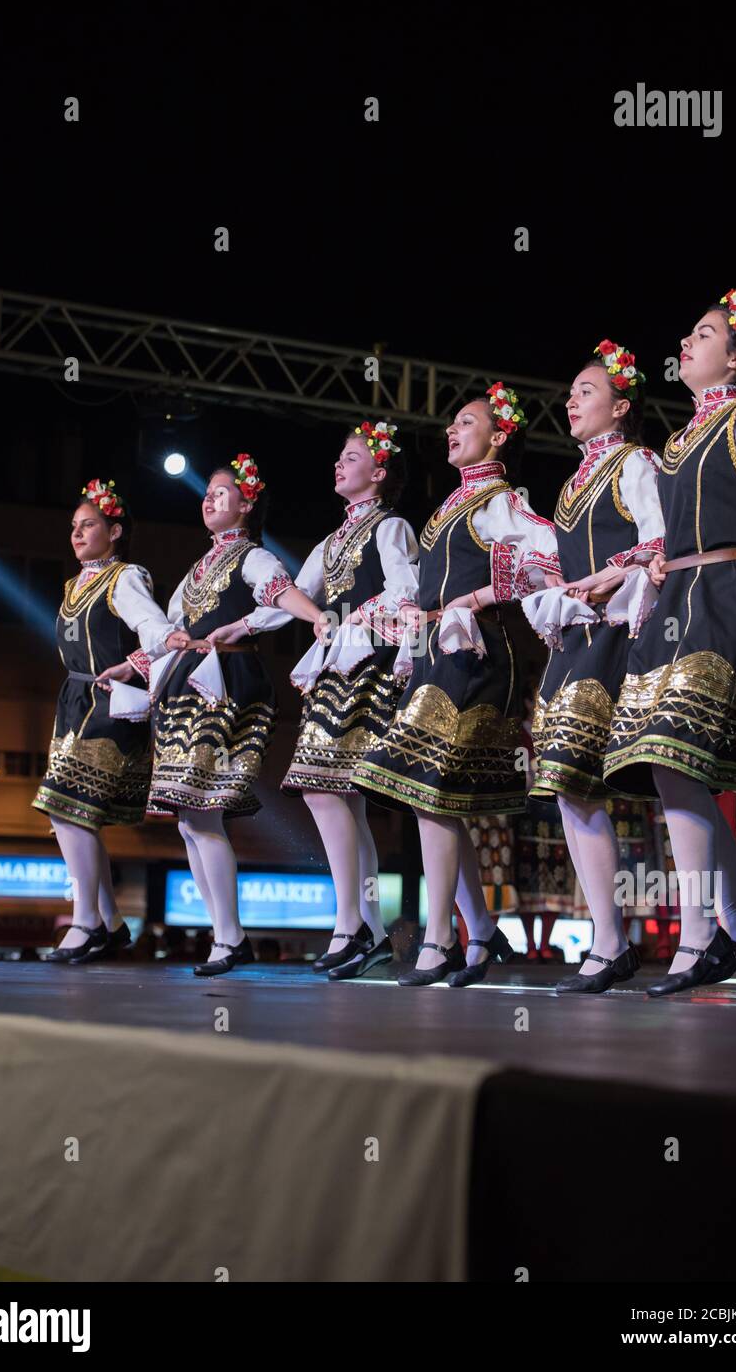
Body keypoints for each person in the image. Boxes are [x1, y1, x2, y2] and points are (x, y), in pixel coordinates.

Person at [603, 289, 736, 994]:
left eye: (703, 333)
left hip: (723, 598)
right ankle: (735, 925)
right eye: (688, 333)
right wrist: (650, 560)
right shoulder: (680, 440)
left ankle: (698, 938)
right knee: (669, 766)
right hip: (678, 598)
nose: (686, 343)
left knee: (672, 755)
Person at [354, 384, 561, 985]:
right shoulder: (450, 505)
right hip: (436, 654)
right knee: (434, 794)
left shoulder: (500, 501)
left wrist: (477, 596)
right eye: (451, 423)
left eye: (466, 422)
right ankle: (482, 932)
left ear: (499, 436)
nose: (452, 430)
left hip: (478, 655)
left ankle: (441, 936)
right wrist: (404, 613)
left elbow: (553, 559)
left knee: (429, 789)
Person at [126, 457, 322, 977]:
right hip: (186, 688)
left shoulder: (252, 558)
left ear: (247, 502)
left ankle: (230, 939)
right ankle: (225, 936)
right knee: (188, 820)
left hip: (228, 686)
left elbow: (280, 594)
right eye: (207, 493)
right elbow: (168, 628)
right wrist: (130, 667)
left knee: (202, 809)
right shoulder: (196, 571)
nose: (209, 499)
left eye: (221, 492)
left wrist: (316, 618)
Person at [258, 421, 419, 980]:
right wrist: (234, 625)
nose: (337, 465)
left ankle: (352, 925)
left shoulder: (390, 526)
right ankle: (363, 926)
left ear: (377, 473)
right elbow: (293, 601)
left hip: (369, 667)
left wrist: (357, 616)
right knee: (337, 798)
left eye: (350, 458)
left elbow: (406, 591)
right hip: (336, 670)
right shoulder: (332, 542)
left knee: (323, 790)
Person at [527, 341, 665, 993]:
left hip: (616, 631)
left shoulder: (635, 462)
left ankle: (701, 926)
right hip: (574, 637)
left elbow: (662, 536)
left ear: (620, 405)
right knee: (564, 786)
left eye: (586, 390)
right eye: (572, 391)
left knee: (618, 783)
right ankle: (606, 941)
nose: (571, 400)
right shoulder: (569, 483)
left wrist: (614, 574)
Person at [33, 479, 178, 964]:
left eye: (88, 524)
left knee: (66, 810)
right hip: (73, 700)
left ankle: (87, 921)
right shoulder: (74, 584)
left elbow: (153, 627)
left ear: (114, 530)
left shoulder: (126, 577)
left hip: (109, 701)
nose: (76, 534)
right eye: (73, 526)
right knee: (73, 818)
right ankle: (110, 922)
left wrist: (142, 661)